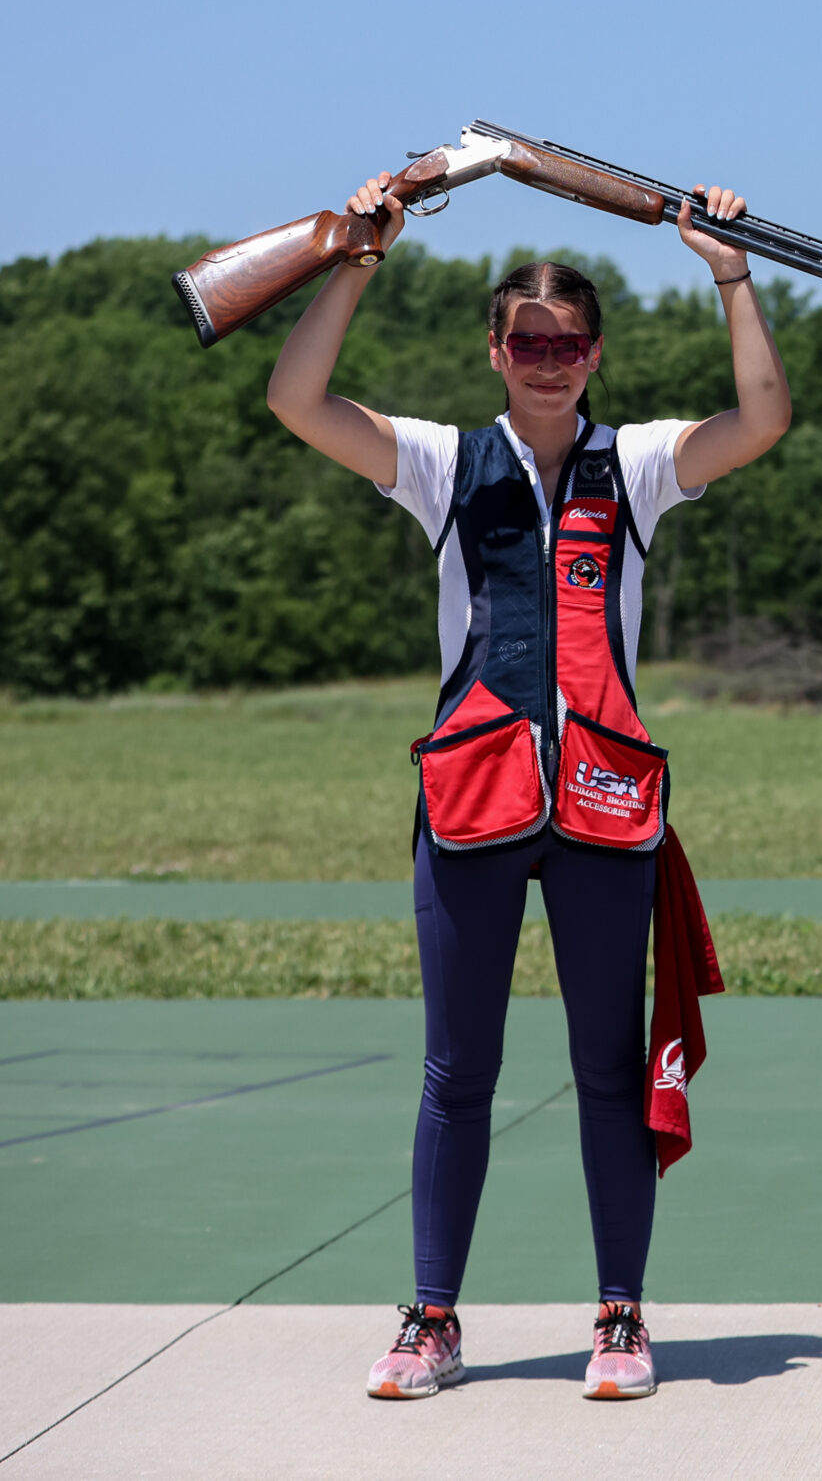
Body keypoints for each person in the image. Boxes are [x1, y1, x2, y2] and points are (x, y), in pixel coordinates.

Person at [264, 171, 792, 1401]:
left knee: (608, 1068)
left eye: (568, 343)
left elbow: (761, 417)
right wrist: (358, 255)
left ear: (595, 351)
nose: (549, 360)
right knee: (460, 1072)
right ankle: (432, 1318)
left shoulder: (643, 464)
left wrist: (731, 273)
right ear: (495, 350)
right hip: (474, 797)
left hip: (607, 805)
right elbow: (296, 399)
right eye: (528, 342)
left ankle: (620, 1317)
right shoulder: (442, 464)